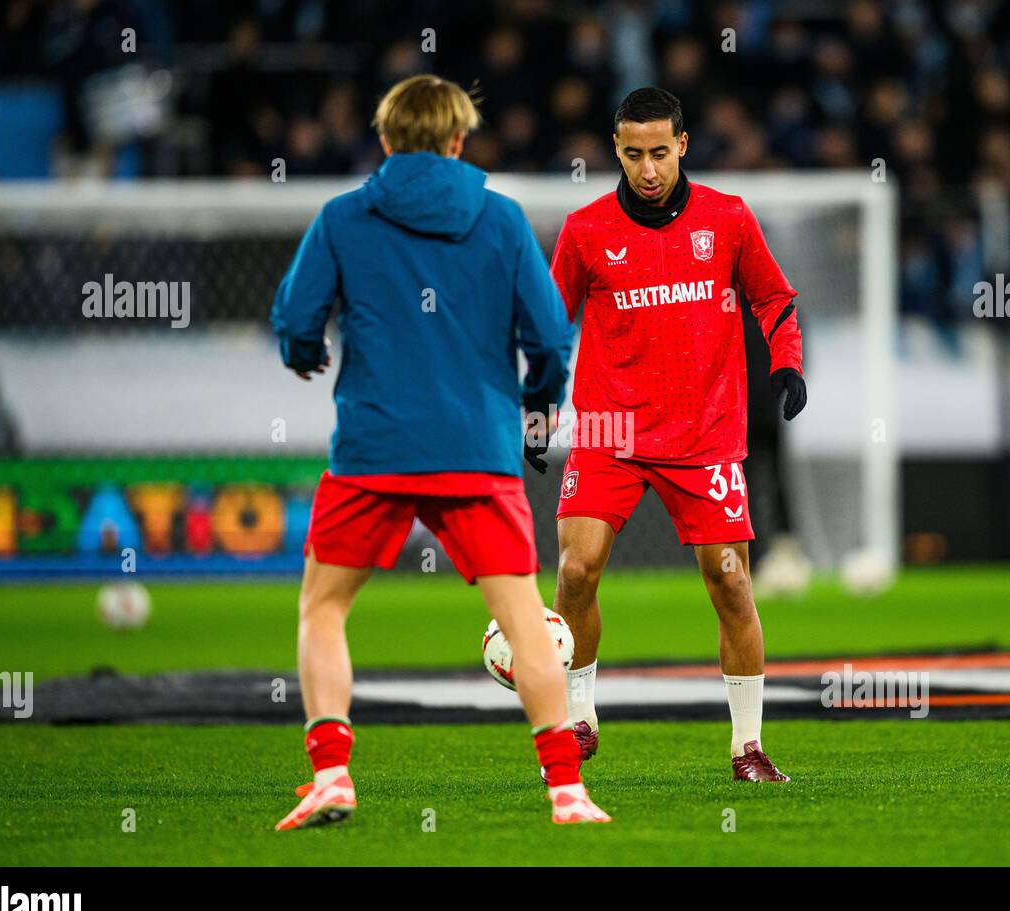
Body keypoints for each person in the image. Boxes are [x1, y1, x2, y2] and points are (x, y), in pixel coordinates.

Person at [269, 74, 609, 829]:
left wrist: (302, 353)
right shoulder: (500, 220)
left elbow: (296, 316)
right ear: (459, 140)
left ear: (386, 140)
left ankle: (331, 775)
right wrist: (537, 401)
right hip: (476, 444)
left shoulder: (343, 217)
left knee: (324, 608)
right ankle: (566, 790)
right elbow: (551, 338)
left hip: (374, 443)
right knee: (524, 613)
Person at [540, 87, 806, 781]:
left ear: (683, 145)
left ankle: (748, 747)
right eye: (633, 155)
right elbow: (546, 326)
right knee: (574, 570)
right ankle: (577, 721)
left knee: (731, 585)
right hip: (608, 428)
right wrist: (537, 402)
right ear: (617, 151)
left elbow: (772, 297)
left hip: (706, 433)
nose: (648, 169)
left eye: (660, 152)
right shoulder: (585, 230)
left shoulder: (728, 218)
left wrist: (787, 363)